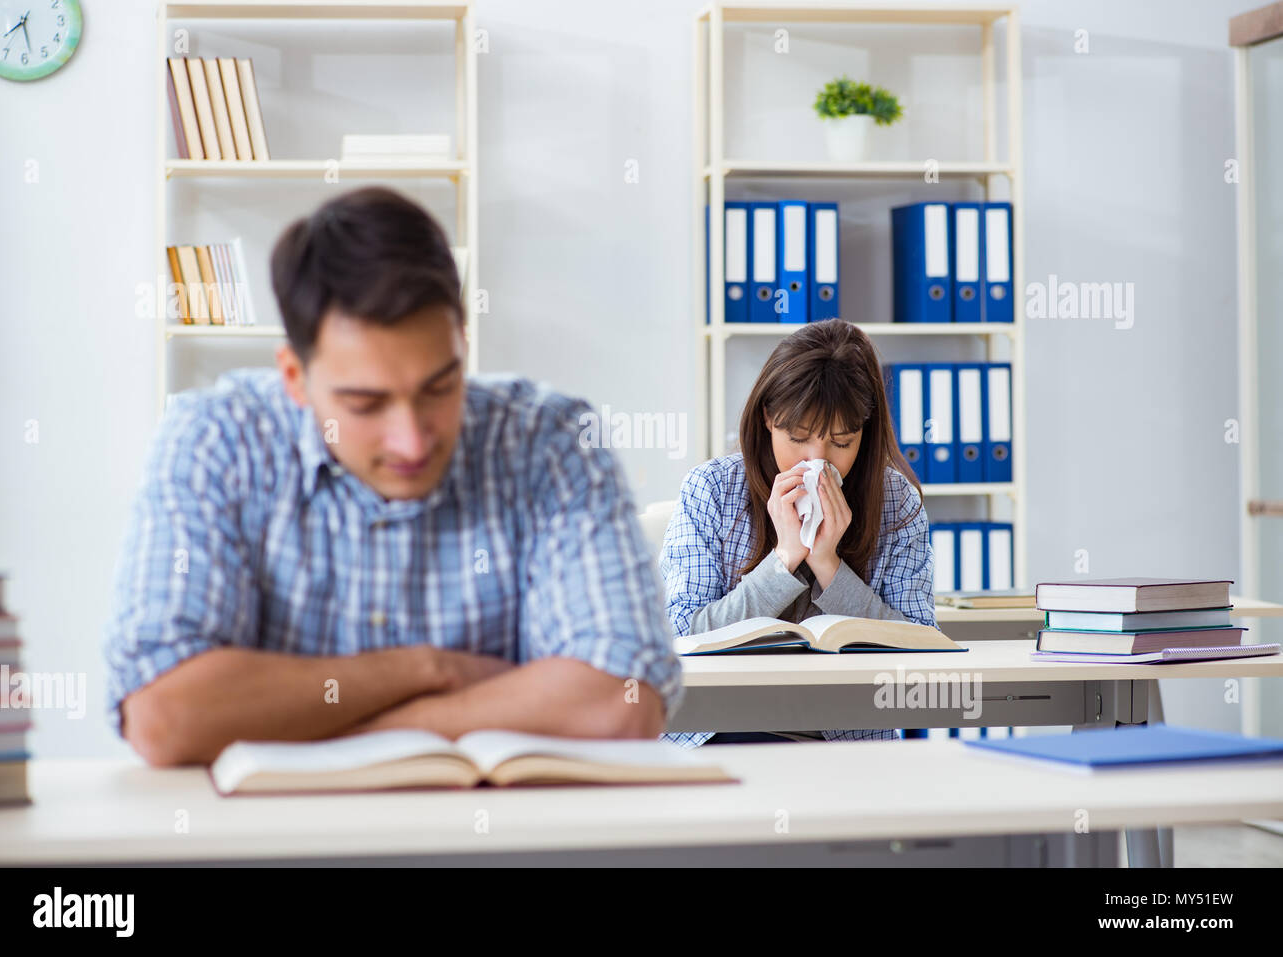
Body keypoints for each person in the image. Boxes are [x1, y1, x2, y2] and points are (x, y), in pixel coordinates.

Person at [104, 186, 680, 766]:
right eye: (365, 403)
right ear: (295, 377)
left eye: (439, 387)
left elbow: (620, 701)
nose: (411, 440)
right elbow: (165, 715)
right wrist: (433, 669)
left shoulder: (550, 441)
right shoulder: (212, 440)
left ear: (462, 344)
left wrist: (321, 732)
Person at [660, 319, 936, 746]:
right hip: (717, 731)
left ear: (865, 431)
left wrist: (829, 567)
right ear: (768, 417)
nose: (816, 461)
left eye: (841, 443)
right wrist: (784, 560)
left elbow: (921, 646)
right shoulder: (712, 489)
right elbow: (681, 638)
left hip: (843, 741)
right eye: (798, 437)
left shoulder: (897, 502)